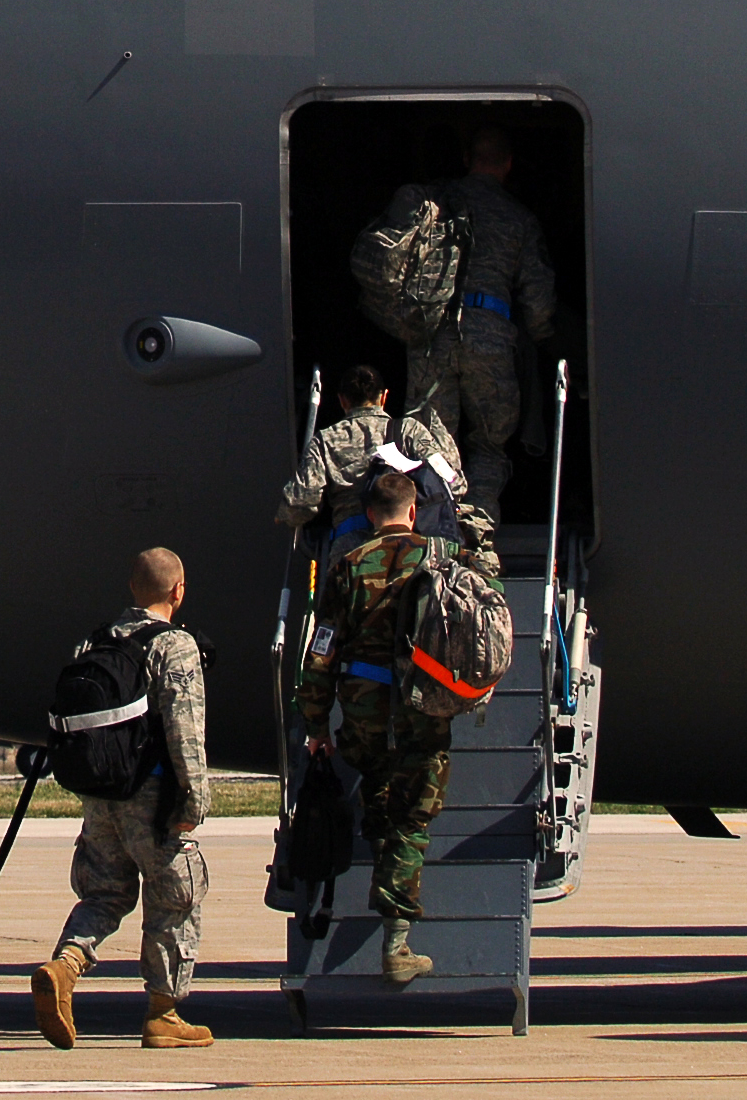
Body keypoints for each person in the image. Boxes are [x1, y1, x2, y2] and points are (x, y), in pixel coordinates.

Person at [32, 548, 211, 1052]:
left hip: (102, 795)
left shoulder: (95, 639)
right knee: (178, 895)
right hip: (152, 798)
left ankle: (65, 965)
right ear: (178, 590)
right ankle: (164, 1012)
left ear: (133, 589)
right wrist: (193, 799)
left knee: (105, 894)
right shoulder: (176, 646)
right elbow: (185, 727)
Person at [293, 469, 455, 985]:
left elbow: (320, 652)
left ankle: (382, 874)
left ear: (368, 516)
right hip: (422, 709)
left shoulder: (345, 568)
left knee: (382, 803)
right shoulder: (440, 559)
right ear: (413, 512)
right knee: (412, 818)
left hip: (363, 712)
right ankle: (398, 941)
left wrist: (316, 721)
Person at [353, 121, 558, 508]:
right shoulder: (519, 219)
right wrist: (541, 336)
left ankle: (440, 540)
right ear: (509, 164)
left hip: (431, 336)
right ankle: (479, 536)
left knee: (430, 448)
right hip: (491, 341)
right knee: (489, 447)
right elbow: (539, 302)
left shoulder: (437, 202)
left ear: (467, 159)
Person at [274, 365, 489, 560]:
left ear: (342, 400)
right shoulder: (408, 431)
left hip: (352, 554)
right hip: (409, 551)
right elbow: (453, 483)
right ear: (384, 397)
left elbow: (301, 503)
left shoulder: (325, 440)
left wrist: (282, 516)